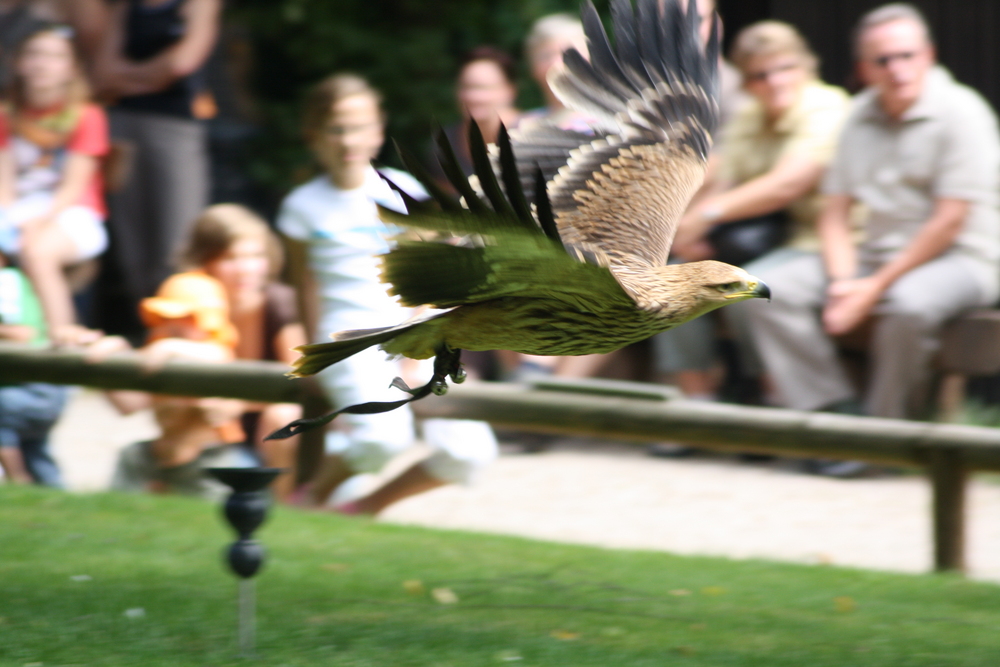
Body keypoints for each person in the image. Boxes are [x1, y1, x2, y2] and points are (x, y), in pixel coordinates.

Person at [742, 4, 1000, 472]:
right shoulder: (858, 114)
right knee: (763, 289)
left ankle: (881, 438)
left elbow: (948, 222)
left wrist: (870, 290)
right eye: (883, 60)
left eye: (906, 55)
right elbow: (835, 212)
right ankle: (832, 418)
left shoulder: (962, 113)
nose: (897, 69)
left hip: (962, 258)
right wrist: (844, 283)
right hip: (873, 256)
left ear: (929, 55)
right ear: (864, 68)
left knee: (907, 304)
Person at [279, 73, 497, 515]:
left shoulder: (403, 191)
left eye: (358, 127)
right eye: (336, 128)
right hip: (347, 339)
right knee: (381, 436)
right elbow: (305, 287)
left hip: (412, 333)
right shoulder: (302, 206)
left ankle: (362, 509)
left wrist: (418, 341)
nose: (347, 140)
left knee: (470, 448)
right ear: (314, 137)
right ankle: (308, 503)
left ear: (378, 131)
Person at [659, 21, 851, 401]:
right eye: (760, 74)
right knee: (671, 277)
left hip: (828, 243)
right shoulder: (751, 117)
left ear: (806, 66)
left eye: (784, 68)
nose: (774, 81)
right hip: (771, 242)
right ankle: (696, 406)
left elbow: (787, 183)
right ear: (747, 83)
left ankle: (774, 402)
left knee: (750, 289)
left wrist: (707, 217)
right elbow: (722, 178)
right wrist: (684, 232)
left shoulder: (826, 106)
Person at [92, 0, 221, 323]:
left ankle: (184, 323)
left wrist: (126, 78)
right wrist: (151, 77)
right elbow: (102, 72)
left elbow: (181, 63)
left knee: (178, 237)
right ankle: (150, 324)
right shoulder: (128, 7)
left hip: (175, 130)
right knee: (130, 237)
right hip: (122, 128)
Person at [177, 203, 307, 501]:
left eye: (255, 256)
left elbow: (301, 382)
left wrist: (238, 404)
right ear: (204, 261)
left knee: (284, 415)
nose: (246, 269)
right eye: (231, 258)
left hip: (271, 435)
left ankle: (284, 508)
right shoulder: (192, 302)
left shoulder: (280, 304)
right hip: (213, 433)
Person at [0, 24, 109, 346]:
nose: (42, 63)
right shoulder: (6, 116)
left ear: (71, 68)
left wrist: (37, 223)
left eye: (54, 56)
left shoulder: (87, 116)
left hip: (72, 215)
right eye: (35, 54)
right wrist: (13, 221)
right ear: (19, 62)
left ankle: (62, 342)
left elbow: (72, 188)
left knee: (38, 253)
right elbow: (4, 185)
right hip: (18, 213)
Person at [104, 269, 255, 498]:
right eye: (166, 318)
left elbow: (218, 355)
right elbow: (129, 404)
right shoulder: (158, 355)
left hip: (208, 457)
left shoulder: (213, 352)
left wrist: (170, 347)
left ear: (208, 320)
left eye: (186, 318)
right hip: (161, 455)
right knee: (130, 458)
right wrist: (109, 364)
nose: (174, 326)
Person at [0, 247, 67, 486]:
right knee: (36, 455)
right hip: (26, 386)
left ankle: (19, 482)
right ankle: (55, 499)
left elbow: (21, 334)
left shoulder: (6, 281)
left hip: (34, 387)